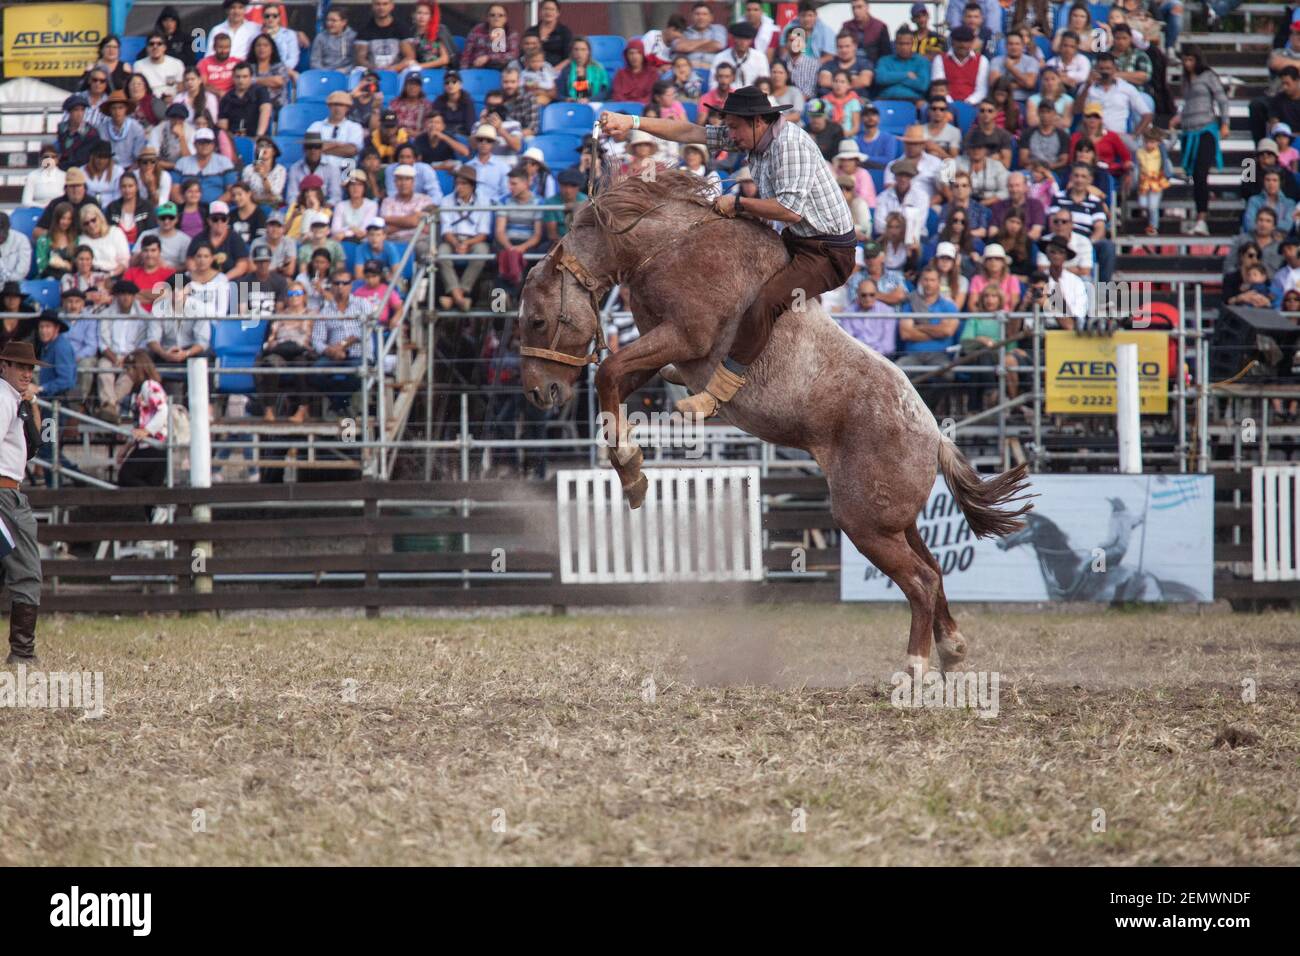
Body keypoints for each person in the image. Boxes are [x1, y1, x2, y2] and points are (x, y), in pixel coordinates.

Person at [599, 85, 856, 417]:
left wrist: (737, 203)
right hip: (798, 238)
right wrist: (632, 121)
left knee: (766, 301)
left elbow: (790, 210)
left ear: (758, 122)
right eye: (729, 127)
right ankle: (705, 364)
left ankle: (716, 393)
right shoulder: (751, 135)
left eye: (734, 126)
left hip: (828, 253)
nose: (729, 134)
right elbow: (689, 131)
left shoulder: (790, 146)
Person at [0, 340, 45, 663]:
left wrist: (31, 403)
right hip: (5, 496)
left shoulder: (13, 399)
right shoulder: (4, 398)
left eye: (29, 368)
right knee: (26, 570)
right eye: (20, 366)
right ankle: (22, 653)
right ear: (5, 366)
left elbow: (35, 443)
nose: (26, 373)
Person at [311, 268, 369, 414]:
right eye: (337, 283)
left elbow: (365, 332)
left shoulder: (363, 304)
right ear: (331, 286)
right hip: (334, 355)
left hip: (358, 353)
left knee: (358, 372)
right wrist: (329, 351)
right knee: (315, 373)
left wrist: (342, 346)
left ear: (351, 285)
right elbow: (317, 339)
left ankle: (338, 403)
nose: (340, 287)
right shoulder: (325, 310)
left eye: (345, 283)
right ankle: (343, 402)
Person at [436, 166, 491, 312]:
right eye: (457, 183)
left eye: (463, 184)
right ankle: (460, 298)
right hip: (451, 239)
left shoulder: (484, 201)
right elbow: (446, 230)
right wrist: (456, 243)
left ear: (472, 186)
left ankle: (457, 294)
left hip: (474, 240)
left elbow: (483, 233)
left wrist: (466, 243)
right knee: (442, 253)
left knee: (482, 252)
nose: (459, 187)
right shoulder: (446, 201)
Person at [115, 349, 169, 491]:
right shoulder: (141, 389)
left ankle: (160, 505)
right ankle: (160, 507)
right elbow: (140, 424)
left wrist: (147, 431)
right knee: (148, 484)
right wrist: (128, 446)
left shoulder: (149, 386)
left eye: (129, 369)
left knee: (126, 477)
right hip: (150, 445)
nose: (128, 373)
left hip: (153, 445)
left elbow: (163, 410)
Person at [933, 25, 988, 105]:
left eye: (966, 41)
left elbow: (982, 90)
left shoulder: (982, 60)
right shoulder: (940, 59)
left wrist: (967, 103)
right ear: (952, 41)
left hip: (973, 105)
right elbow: (938, 87)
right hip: (945, 105)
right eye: (959, 40)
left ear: (972, 42)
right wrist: (952, 104)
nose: (962, 44)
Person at [123, 234, 176, 313]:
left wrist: (137, 292)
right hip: (136, 318)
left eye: (153, 250)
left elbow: (175, 298)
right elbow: (126, 298)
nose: (149, 255)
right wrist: (161, 295)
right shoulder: (130, 272)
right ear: (141, 252)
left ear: (159, 252)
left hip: (163, 318)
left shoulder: (172, 273)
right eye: (145, 250)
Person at [875, 29, 930, 105]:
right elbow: (880, 79)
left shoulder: (922, 61)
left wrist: (892, 79)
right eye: (900, 44)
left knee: (924, 106)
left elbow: (922, 85)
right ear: (895, 44)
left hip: (914, 100)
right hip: (886, 98)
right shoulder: (884, 60)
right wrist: (906, 75)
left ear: (912, 44)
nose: (904, 47)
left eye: (907, 44)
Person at [461, 3, 519, 71]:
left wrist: (488, 57)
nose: (496, 18)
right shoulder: (477, 30)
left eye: (500, 15)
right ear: (487, 18)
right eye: (492, 15)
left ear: (506, 19)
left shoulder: (511, 34)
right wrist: (463, 73)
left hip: (502, 71)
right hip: (477, 69)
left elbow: (513, 55)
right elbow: (466, 54)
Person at [134, 31, 186, 99]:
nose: (155, 46)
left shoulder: (177, 64)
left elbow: (181, 89)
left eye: (159, 44)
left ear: (164, 47)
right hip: (149, 102)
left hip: (173, 102)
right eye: (151, 44)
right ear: (147, 48)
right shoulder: (139, 65)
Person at [560, 37, 610, 103]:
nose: (579, 53)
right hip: (572, 104)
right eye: (576, 49)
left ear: (588, 51)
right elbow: (560, 92)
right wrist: (567, 99)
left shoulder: (598, 69)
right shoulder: (566, 69)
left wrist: (589, 99)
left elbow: (604, 92)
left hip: (594, 103)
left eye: (583, 49)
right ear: (571, 51)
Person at [311, 6, 358, 73]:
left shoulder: (353, 37)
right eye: (328, 20)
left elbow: (357, 61)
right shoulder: (320, 37)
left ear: (344, 22)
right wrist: (326, 72)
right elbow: (314, 61)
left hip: (347, 74)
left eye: (333, 20)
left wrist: (345, 70)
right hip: (325, 74)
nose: (329, 23)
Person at [0, 214, 32, 284]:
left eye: (2, 232)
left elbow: (22, 271)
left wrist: (6, 279)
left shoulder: (21, 239)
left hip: (14, 283)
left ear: (9, 227)